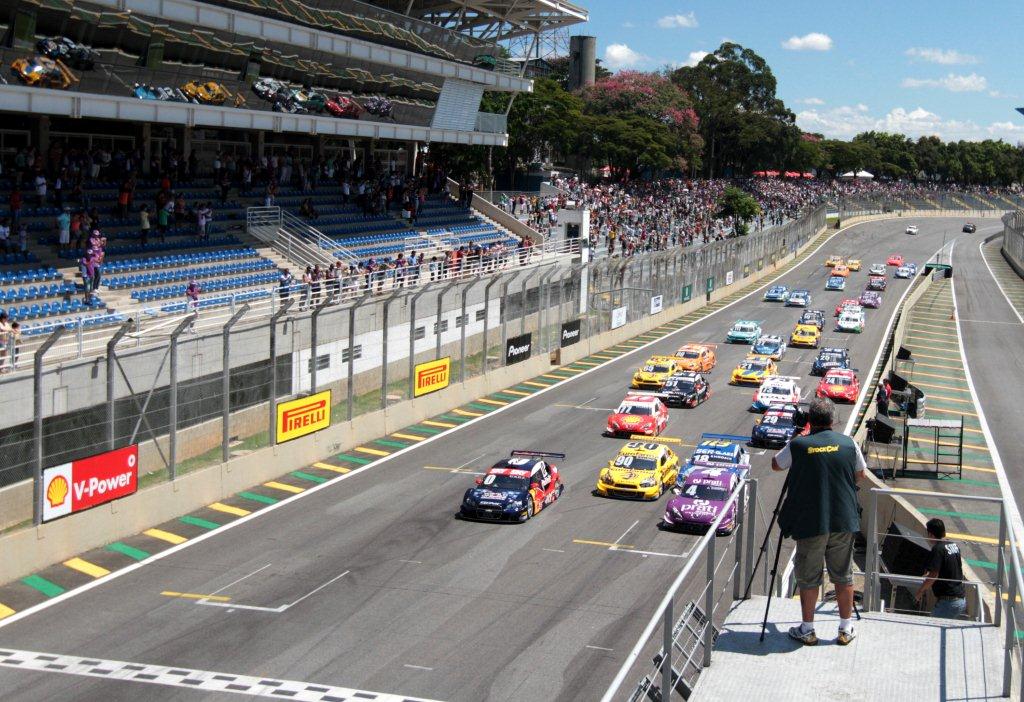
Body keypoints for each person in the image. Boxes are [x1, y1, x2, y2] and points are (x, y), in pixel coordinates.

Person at [772, 396, 866, 646]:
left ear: (810, 420)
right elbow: (861, 474)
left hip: (811, 521)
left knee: (808, 576)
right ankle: (845, 628)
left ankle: (807, 628)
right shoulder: (848, 444)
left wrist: (798, 437)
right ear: (833, 420)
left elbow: (776, 465)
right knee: (843, 575)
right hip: (843, 518)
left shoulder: (799, 445)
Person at [915, 518, 967, 619]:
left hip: (949, 603)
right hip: (960, 600)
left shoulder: (938, 549)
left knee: (931, 629)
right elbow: (952, 568)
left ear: (931, 534)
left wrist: (920, 592)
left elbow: (934, 575)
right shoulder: (954, 546)